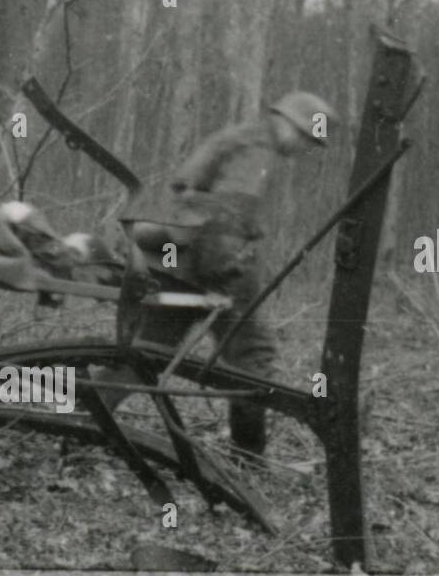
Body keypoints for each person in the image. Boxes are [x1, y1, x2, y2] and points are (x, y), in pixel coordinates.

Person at [107, 90, 339, 458]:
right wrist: (225, 278)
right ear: (289, 124)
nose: (303, 149)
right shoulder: (256, 150)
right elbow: (227, 213)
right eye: (306, 138)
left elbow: (192, 193)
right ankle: (249, 460)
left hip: (178, 260)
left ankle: (83, 417)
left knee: (146, 355)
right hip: (211, 261)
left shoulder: (239, 138)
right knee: (253, 362)